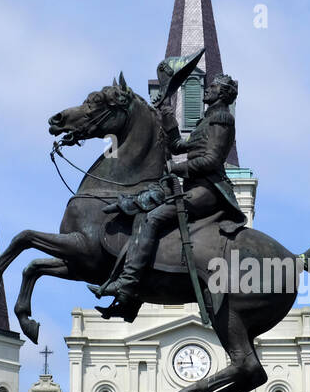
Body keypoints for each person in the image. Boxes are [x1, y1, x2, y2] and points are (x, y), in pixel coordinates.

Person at [93, 72, 247, 313]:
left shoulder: (221, 119)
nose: (208, 89)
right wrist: (166, 111)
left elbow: (211, 160)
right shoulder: (207, 121)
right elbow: (178, 146)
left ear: (224, 93)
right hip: (195, 187)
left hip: (207, 190)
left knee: (152, 218)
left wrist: (176, 167)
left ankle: (128, 281)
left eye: (213, 86)